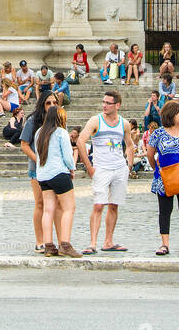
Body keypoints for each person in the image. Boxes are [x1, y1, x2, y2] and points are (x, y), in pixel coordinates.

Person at [77, 89, 135, 253]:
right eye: (103, 102)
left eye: (108, 103)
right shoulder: (95, 121)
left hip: (119, 168)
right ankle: (92, 243)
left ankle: (108, 241)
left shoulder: (123, 123)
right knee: (98, 205)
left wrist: (128, 166)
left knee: (114, 205)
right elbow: (81, 141)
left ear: (117, 105)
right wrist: (89, 167)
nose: (104, 105)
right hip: (101, 168)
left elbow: (129, 144)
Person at [28, 104, 81, 258]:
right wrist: (72, 169)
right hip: (59, 173)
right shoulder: (61, 133)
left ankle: (48, 245)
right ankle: (65, 244)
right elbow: (67, 156)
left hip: (43, 175)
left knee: (48, 210)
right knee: (69, 208)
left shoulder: (39, 133)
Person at [146, 99, 179, 256]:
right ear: (171, 114)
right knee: (165, 210)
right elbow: (150, 154)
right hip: (165, 176)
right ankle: (164, 243)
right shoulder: (158, 133)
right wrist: (159, 170)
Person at [21, 92, 66, 253]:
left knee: (59, 205)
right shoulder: (33, 121)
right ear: (42, 104)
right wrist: (39, 161)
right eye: (48, 103)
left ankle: (61, 241)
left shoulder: (59, 121)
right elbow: (24, 145)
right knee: (41, 203)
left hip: (56, 170)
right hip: (37, 170)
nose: (52, 106)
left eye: (55, 102)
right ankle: (40, 241)